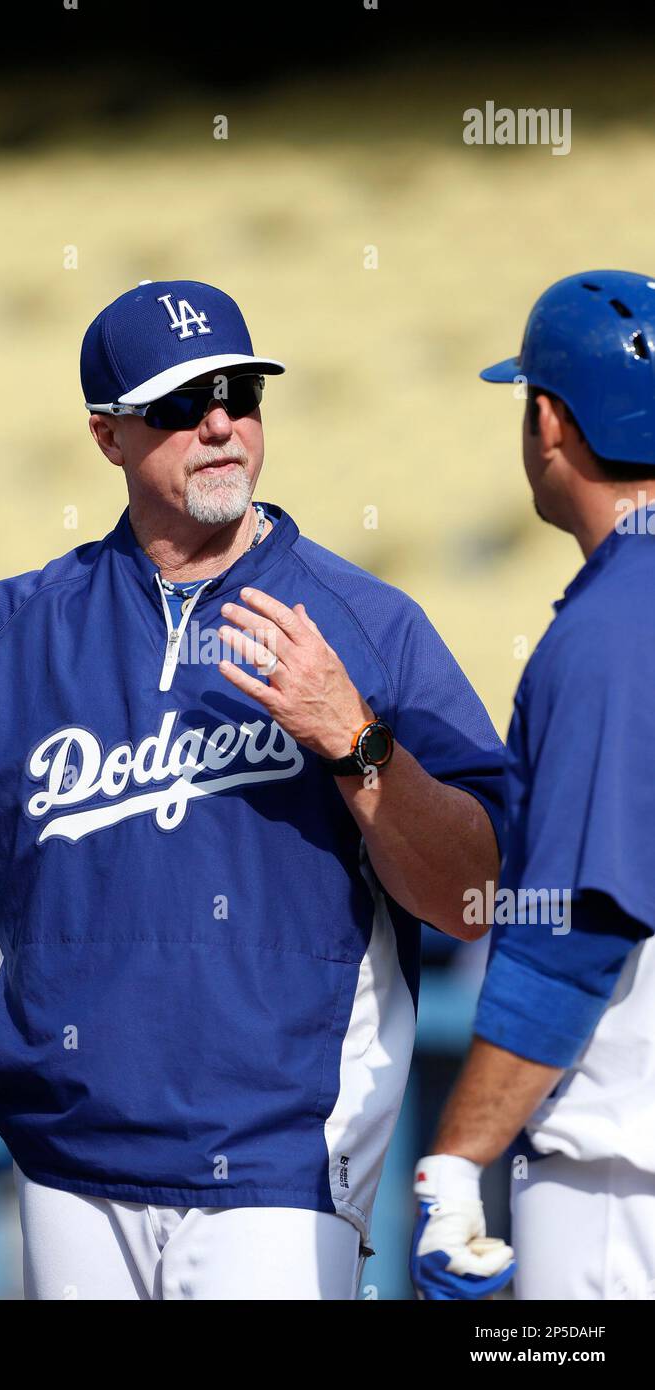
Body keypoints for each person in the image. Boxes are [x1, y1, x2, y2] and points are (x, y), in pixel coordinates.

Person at [0, 278, 504, 1300]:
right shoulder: (22, 628)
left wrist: (353, 740)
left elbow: (470, 893)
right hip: (70, 1163)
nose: (218, 422)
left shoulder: (366, 623)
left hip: (278, 1159)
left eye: (237, 393)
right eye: (178, 403)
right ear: (107, 436)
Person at [411, 269, 655, 1302]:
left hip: (622, 1172)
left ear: (548, 420)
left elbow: (577, 932)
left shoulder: (611, 628)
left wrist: (459, 1161)